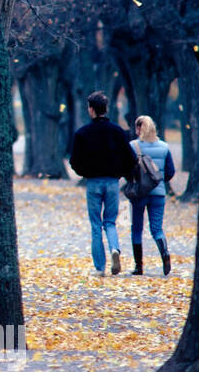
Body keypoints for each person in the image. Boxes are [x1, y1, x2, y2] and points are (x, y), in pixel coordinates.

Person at [70, 91, 136, 276]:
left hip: (93, 182)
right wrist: (120, 173)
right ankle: (114, 248)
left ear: (91, 110)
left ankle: (100, 267)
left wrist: (85, 173)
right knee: (110, 222)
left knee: (95, 224)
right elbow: (131, 158)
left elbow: (74, 161)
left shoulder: (82, 133)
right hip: (113, 182)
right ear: (106, 109)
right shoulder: (118, 132)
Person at [128, 115, 174, 276]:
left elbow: (128, 169)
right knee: (156, 229)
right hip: (158, 193)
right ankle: (165, 254)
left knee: (137, 228)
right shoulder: (164, 147)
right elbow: (170, 172)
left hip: (139, 193)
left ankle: (138, 266)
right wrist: (159, 182)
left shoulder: (133, 146)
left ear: (140, 128)